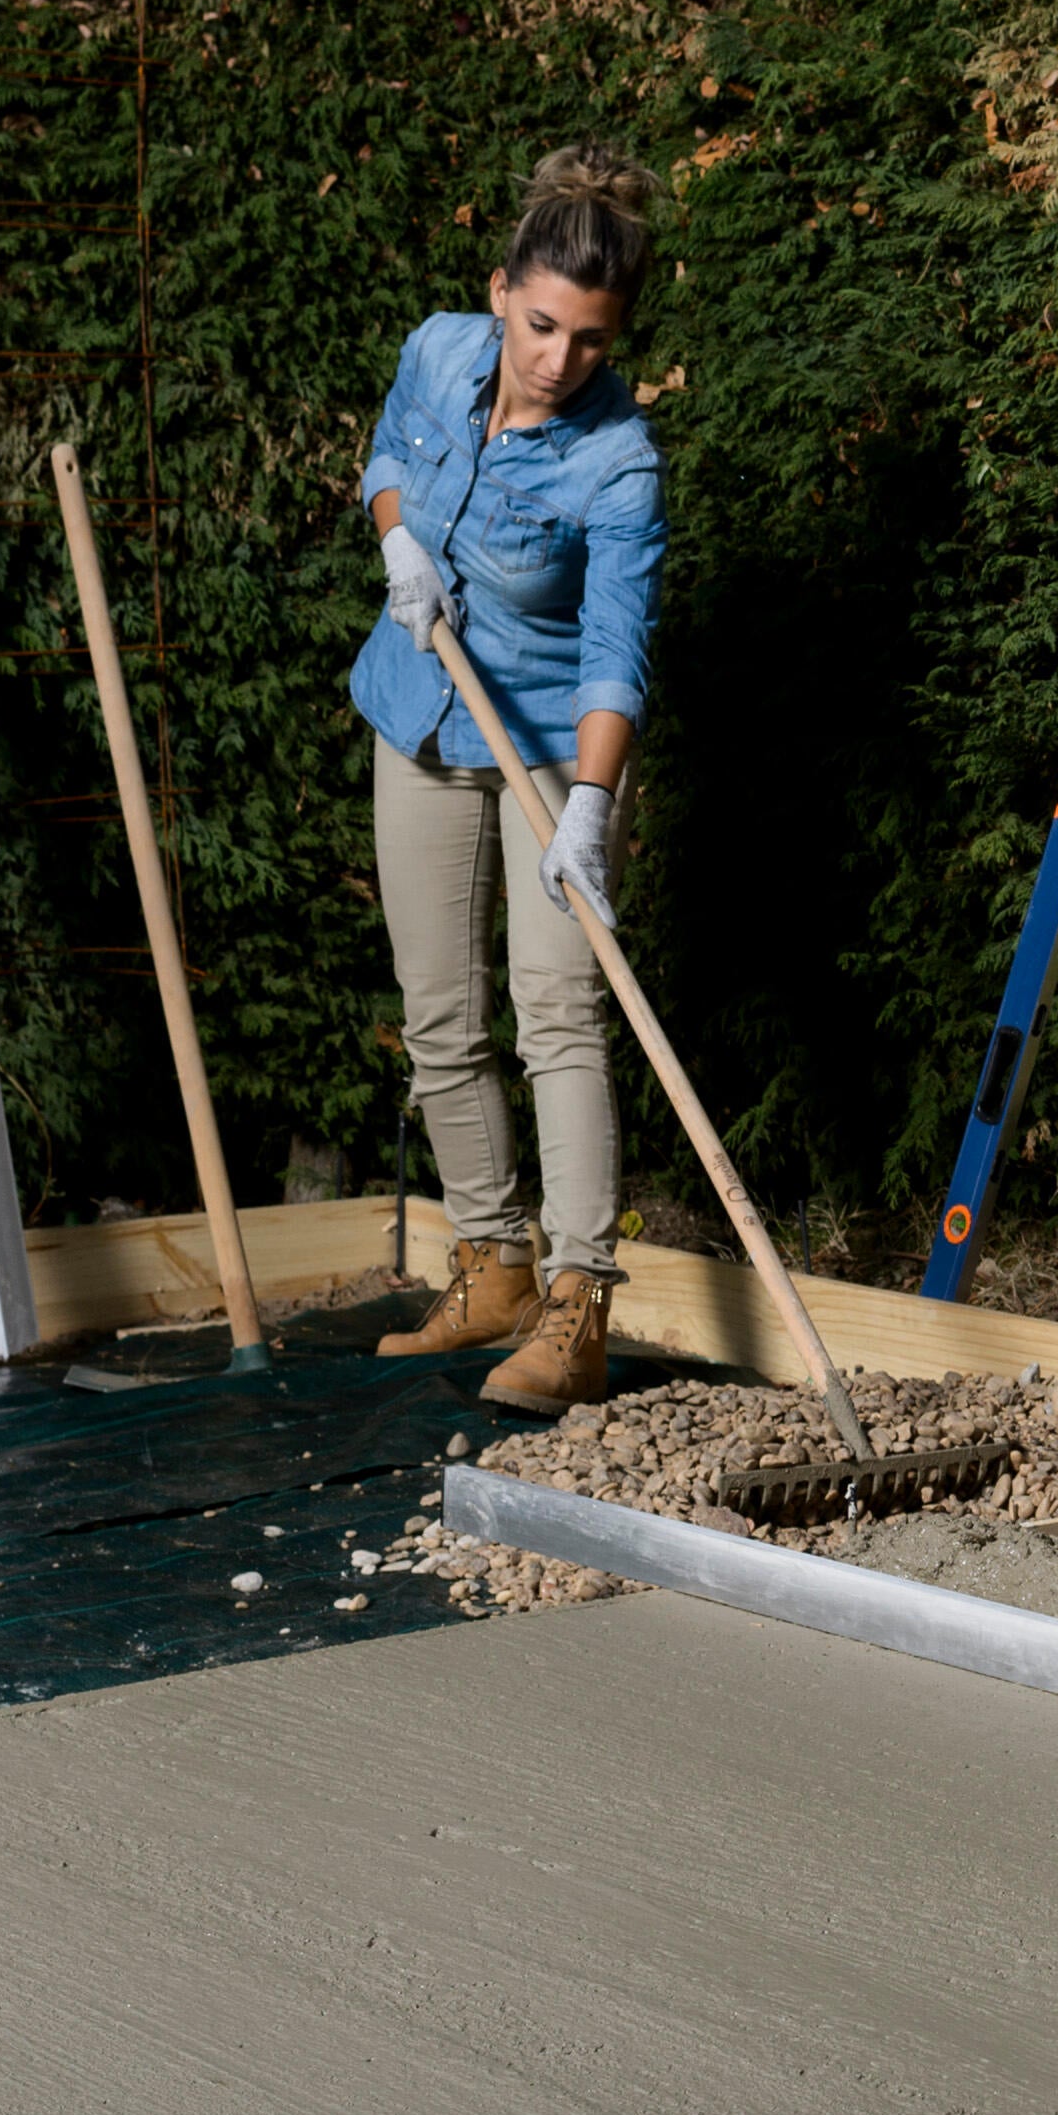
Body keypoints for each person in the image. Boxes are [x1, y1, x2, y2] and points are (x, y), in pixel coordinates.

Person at [352, 145, 666, 1414]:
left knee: (558, 1016)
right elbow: (384, 454)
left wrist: (591, 805)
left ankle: (576, 1303)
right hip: (418, 708)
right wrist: (396, 544)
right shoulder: (436, 351)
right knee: (437, 1010)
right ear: (501, 292)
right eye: (541, 325)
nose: (558, 361)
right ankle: (487, 1264)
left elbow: (616, 650)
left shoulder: (619, 463)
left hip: (549, 748)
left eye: (590, 341)